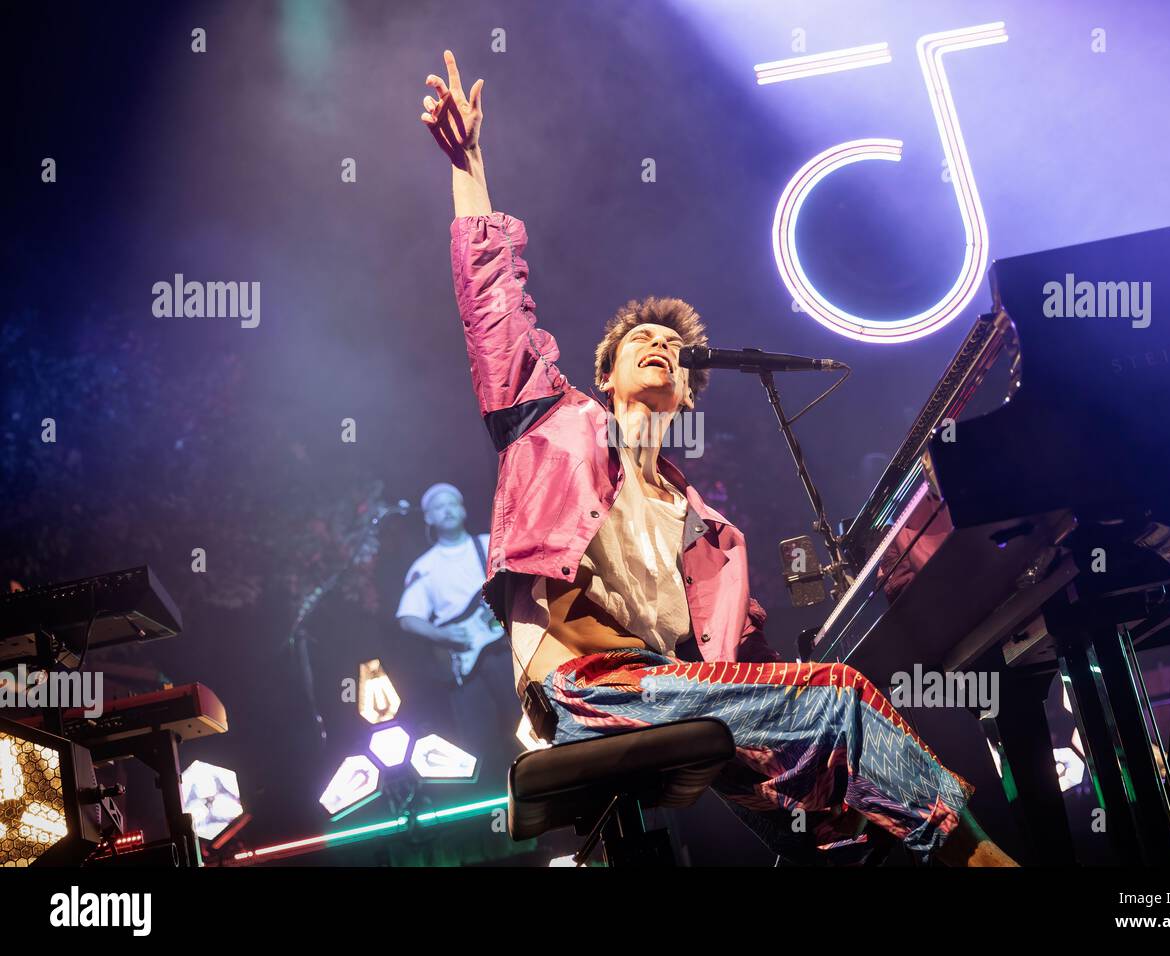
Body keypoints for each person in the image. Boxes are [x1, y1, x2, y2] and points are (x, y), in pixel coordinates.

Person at [419, 50, 1015, 865]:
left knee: (828, 805)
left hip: (673, 695)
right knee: (835, 704)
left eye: (674, 348)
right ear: (605, 373)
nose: (661, 347)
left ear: (691, 394)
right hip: (586, 691)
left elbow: (751, 667)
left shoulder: (711, 532)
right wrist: (469, 167)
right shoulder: (550, 425)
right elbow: (495, 306)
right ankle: (986, 862)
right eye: (643, 341)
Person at [396, 482, 518, 787]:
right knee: (480, 741)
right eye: (438, 507)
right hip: (466, 663)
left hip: (505, 652)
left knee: (524, 724)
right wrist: (443, 634)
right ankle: (496, 808)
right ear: (428, 518)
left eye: (453, 503)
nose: (447, 510)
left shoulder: (490, 545)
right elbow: (408, 618)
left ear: (463, 509)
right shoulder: (425, 567)